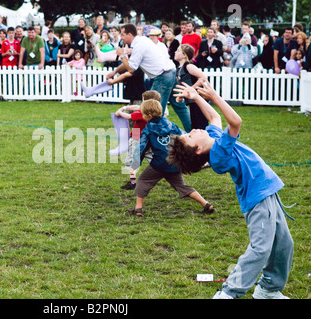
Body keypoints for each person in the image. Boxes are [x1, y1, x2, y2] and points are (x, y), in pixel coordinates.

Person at [168, 80, 293, 300]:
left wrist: (196, 97)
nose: (192, 130)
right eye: (189, 136)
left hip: (267, 191)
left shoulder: (215, 139)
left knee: (283, 245)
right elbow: (235, 121)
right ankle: (228, 293)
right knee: (261, 249)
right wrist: (213, 96)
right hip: (258, 198)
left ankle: (268, 289)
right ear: (197, 151)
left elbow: (214, 118)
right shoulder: (218, 153)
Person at [128, 99, 214, 217]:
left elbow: (141, 148)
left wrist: (135, 164)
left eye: (142, 114)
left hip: (158, 165)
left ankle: (138, 209)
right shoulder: (172, 125)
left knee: (143, 180)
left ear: (148, 115)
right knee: (182, 186)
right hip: (175, 162)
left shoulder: (148, 130)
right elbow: (185, 137)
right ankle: (206, 204)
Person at [106, 24, 191, 132]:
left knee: (153, 112)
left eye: (122, 35)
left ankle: (156, 140)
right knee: (180, 108)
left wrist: (122, 55)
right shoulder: (141, 41)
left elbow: (131, 69)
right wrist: (115, 71)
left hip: (162, 77)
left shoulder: (139, 46)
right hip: (170, 73)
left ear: (129, 34)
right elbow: (132, 63)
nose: (121, 37)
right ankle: (193, 133)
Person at [114, 90, 159, 190]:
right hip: (150, 140)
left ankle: (132, 183)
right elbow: (136, 107)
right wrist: (124, 107)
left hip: (136, 139)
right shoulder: (155, 112)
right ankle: (164, 172)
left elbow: (128, 116)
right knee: (153, 158)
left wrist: (120, 113)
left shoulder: (142, 113)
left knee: (132, 161)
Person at [175, 44, 208, 129]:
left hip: (199, 99)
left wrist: (191, 89)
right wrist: (181, 95)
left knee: (201, 125)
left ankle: (207, 141)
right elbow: (182, 84)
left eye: (178, 51)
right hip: (192, 101)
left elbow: (203, 77)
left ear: (184, 55)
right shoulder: (179, 68)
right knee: (194, 125)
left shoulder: (189, 66)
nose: (175, 52)